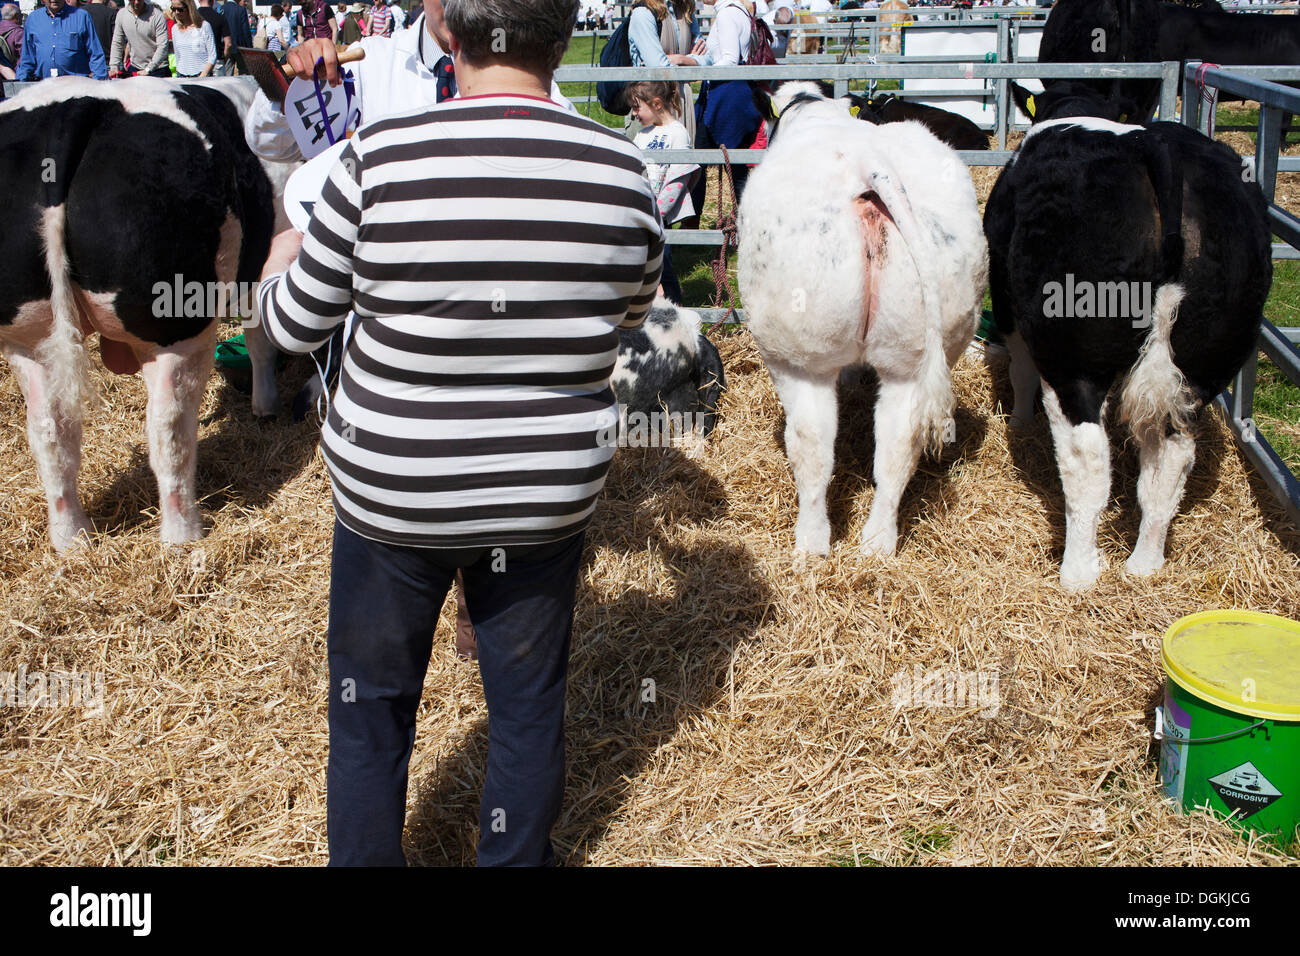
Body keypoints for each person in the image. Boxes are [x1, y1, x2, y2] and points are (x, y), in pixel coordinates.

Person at [256, 0, 662, 869]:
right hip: (541, 499)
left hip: (393, 495)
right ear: (562, 37)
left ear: (447, 32)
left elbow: (291, 328)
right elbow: (631, 310)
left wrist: (275, 269)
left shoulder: (376, 160)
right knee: (525, 708)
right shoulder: (623, 171)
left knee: (371, 718)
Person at [669, 0, 759, 211]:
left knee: (706, 161)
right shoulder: (737, 11)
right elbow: (717, 57)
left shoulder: (727, 15)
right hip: (732, 94)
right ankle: (738, 223)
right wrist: (687, 60)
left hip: (726, 95)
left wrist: (699, 75)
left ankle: (695, 224)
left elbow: (729, 60)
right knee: (731, 164)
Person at [627, 79, 698, 304]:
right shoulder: (642, 134)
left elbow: (678, 177)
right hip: (640, 208)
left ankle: (674, 306)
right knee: (645, 262)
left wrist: (659, 213)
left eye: (637, 107)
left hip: (659, 212)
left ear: (656, 104)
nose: (634, 114)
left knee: (661, 263)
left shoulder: (677, 133)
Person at [627, 0, 695, 141]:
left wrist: (682, 59)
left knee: (682, 157)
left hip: (681, 100)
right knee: (649, 159)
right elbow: (658, 67)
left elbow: (708, 57)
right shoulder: (643, 13)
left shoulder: (685, 9)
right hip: (649, 105)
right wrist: (691, 62)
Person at [17, 0, 108, 79]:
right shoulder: (33, 19)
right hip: (44, 86)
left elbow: (96, 54)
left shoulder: (81, 16)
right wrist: (21, 82)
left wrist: (99, 83)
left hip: (76, 88)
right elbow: (27, 56)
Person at [110, 0, 168, 76]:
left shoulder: (157, 16)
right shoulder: (122, 14)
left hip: (158, 69)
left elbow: (162, 46)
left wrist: (148, 69)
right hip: (135, 68)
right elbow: (117, 42)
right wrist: (114, 66)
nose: (136, 2)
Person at [170, 0, 215, 74]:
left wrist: (203, 76)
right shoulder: (175, 29)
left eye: (180, 9)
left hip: (201, 75)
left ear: (189, 8)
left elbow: (212, 55)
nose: (177, 12)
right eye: (173, 9)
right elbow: (177, 55)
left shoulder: (204, 26)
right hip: (181, 75)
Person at [196, 0, 230, 71]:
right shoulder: (221, 18)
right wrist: (224, 58)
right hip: (217, 60)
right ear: (213, 1)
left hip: (197, 60)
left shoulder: (193, 19)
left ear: (199, 1)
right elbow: (228, 44)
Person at [0, 3, 24, 78]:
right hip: (13, 76)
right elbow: (25, 57)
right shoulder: (19, 33)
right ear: (16, 16)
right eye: (21, 15)